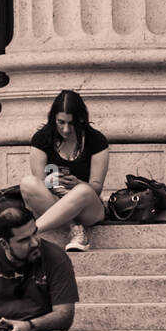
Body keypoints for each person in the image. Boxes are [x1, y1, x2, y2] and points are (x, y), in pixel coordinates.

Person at [19, 89, 109, 252]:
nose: (66, 129)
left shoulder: (96, 140)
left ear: (81, 119)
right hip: (53, 201)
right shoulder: (42, 139)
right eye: (61, 122)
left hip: (87, 208)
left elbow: (97, 187)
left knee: (83, 190)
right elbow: (39, 183)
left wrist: (78, 183)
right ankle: (74, 229)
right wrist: (52, 183)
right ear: (54, 119)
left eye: (71, 123)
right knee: (28, 183)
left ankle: (27, 234)